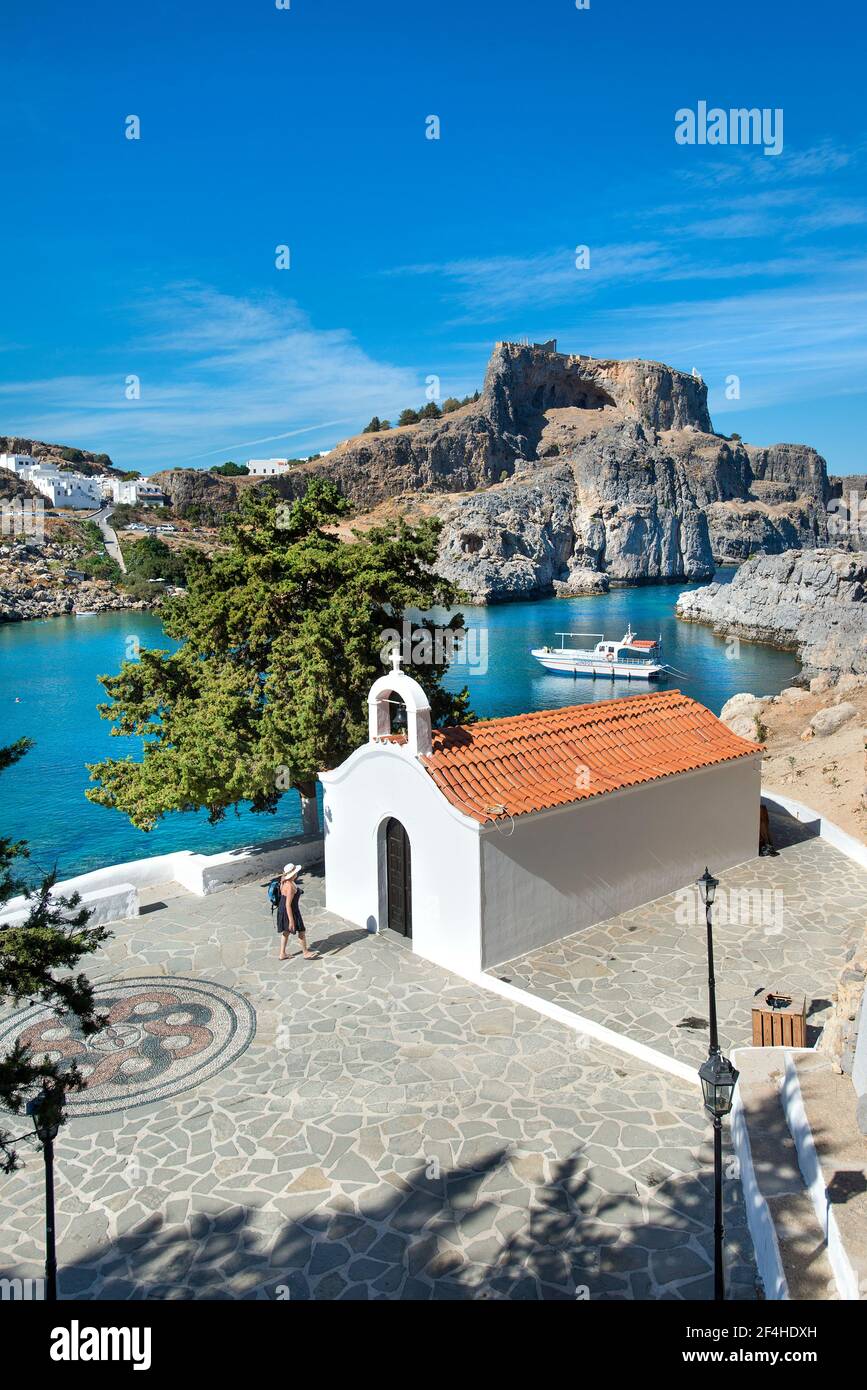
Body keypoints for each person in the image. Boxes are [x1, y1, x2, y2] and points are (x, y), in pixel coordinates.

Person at [277, 863, 318, 961]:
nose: (297, 873)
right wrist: (291, 920)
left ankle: (282, 954)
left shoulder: (284, 881)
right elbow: (288, 904)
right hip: (291, 910)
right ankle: (305, 953)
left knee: (286, 932)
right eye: (296, 872)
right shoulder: (290, 886)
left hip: (282, 910)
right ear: (293, 874)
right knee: (301, 930)